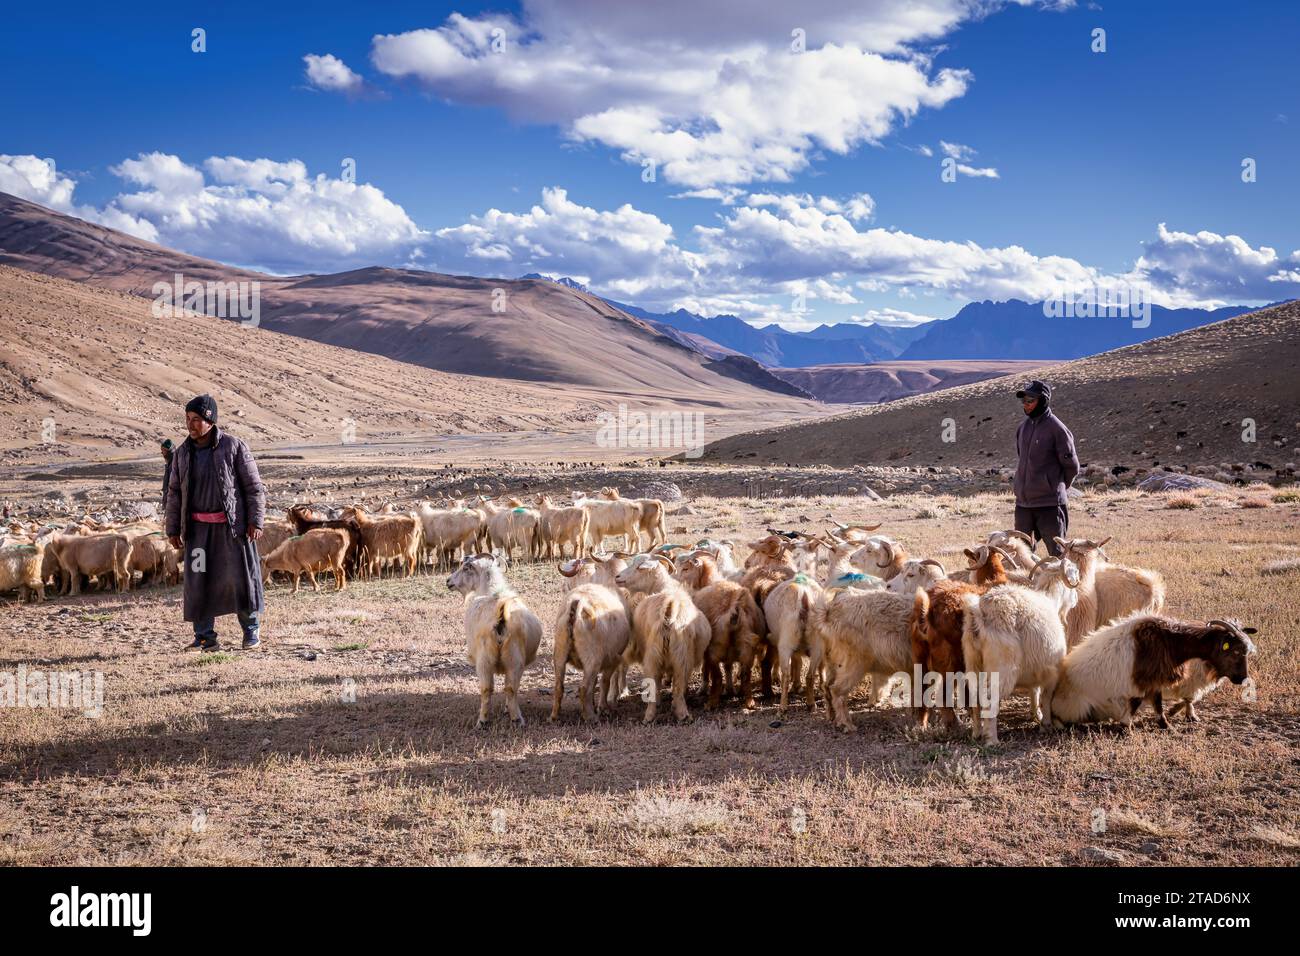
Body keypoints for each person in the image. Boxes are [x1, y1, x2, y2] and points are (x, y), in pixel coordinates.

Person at [164, 394, 266, 650]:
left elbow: (253, 488)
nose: (190, 424)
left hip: (232, 530)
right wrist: (173, 528)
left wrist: (256, 520)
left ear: (210, 420)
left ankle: (251, 632)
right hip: (198, 533)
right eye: (188, 419)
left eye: (196, 419)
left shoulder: (233, 447)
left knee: (241, 579)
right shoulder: (182, 454)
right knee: (199, 579)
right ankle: (204, 636)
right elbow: (174, 493)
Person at [1012, 380, 1079, 558]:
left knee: (1057, 556)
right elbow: (1023, 460)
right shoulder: (1023, 428)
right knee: (1021, 555)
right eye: (1024, 401)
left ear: (1043, 401)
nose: (1025, 405)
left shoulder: (1057, 429)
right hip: (1024, 505)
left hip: (1049, 505)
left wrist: (1055, 487)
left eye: (1030, 401)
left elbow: (1072, 466)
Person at [160, 439, 174, 504]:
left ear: (169, 451)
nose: (162, 453)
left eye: (163, 451)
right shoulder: (170, 463)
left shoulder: (174, 463)